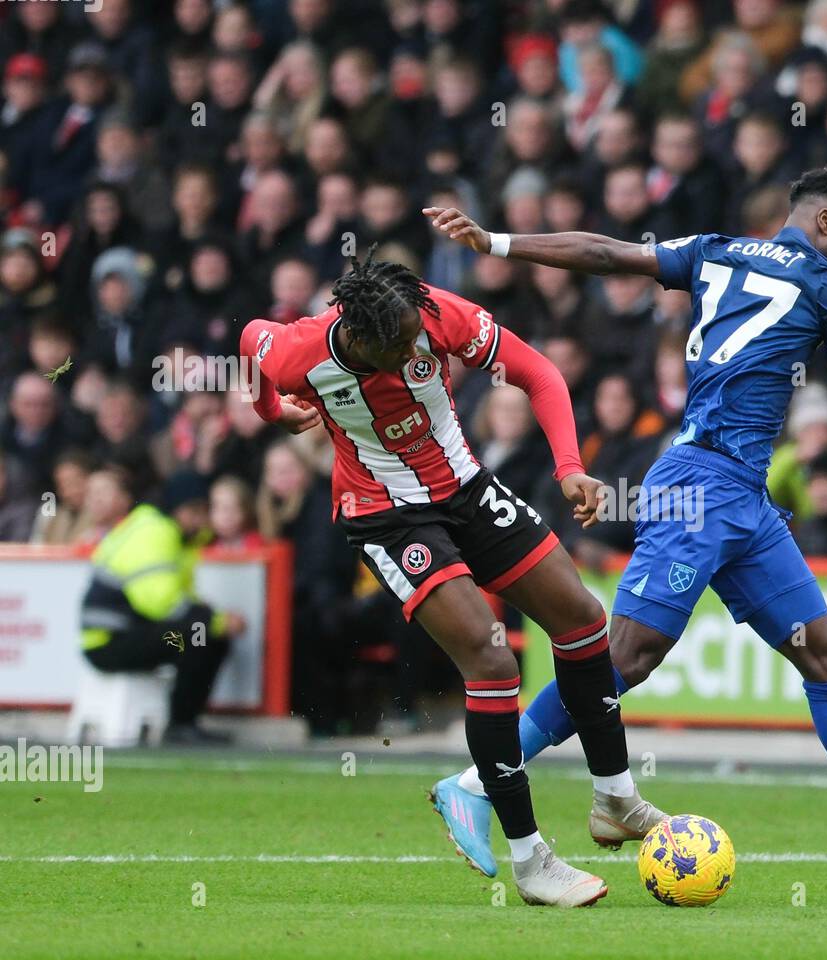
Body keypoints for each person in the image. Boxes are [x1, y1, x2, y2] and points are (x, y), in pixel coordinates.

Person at [427, 166, 827, 893]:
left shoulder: (716, 249)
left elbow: (607, 254)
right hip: (703, 486)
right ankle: (477, 780)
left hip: (738, 496)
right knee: (624, 655)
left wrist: (497, 240)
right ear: (824, 224)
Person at [239, 249, 664, 907]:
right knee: (492, 660)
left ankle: (614, 794)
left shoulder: (437, 313)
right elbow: (250, 339)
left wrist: (570, 466)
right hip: (386, 515)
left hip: (465, 487)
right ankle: (530, 860)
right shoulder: (302, 352)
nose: (422, 349)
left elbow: (539, 373)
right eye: (406, 345)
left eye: (420, 336)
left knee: (582, 619)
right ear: (365, 342)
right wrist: (272, 410)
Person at [78, 467, 245, 746]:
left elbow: (179, 600)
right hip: (109, 641)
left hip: (110, 636)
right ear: (183, 510)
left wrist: (211, 619)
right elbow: (164, 605)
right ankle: (181, 725)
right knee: (200, 637)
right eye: (201, 511)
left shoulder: (159, 530)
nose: (206, 520)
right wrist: (217, 622)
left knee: (203, 634)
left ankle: (183, 722)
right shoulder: (157, 532)